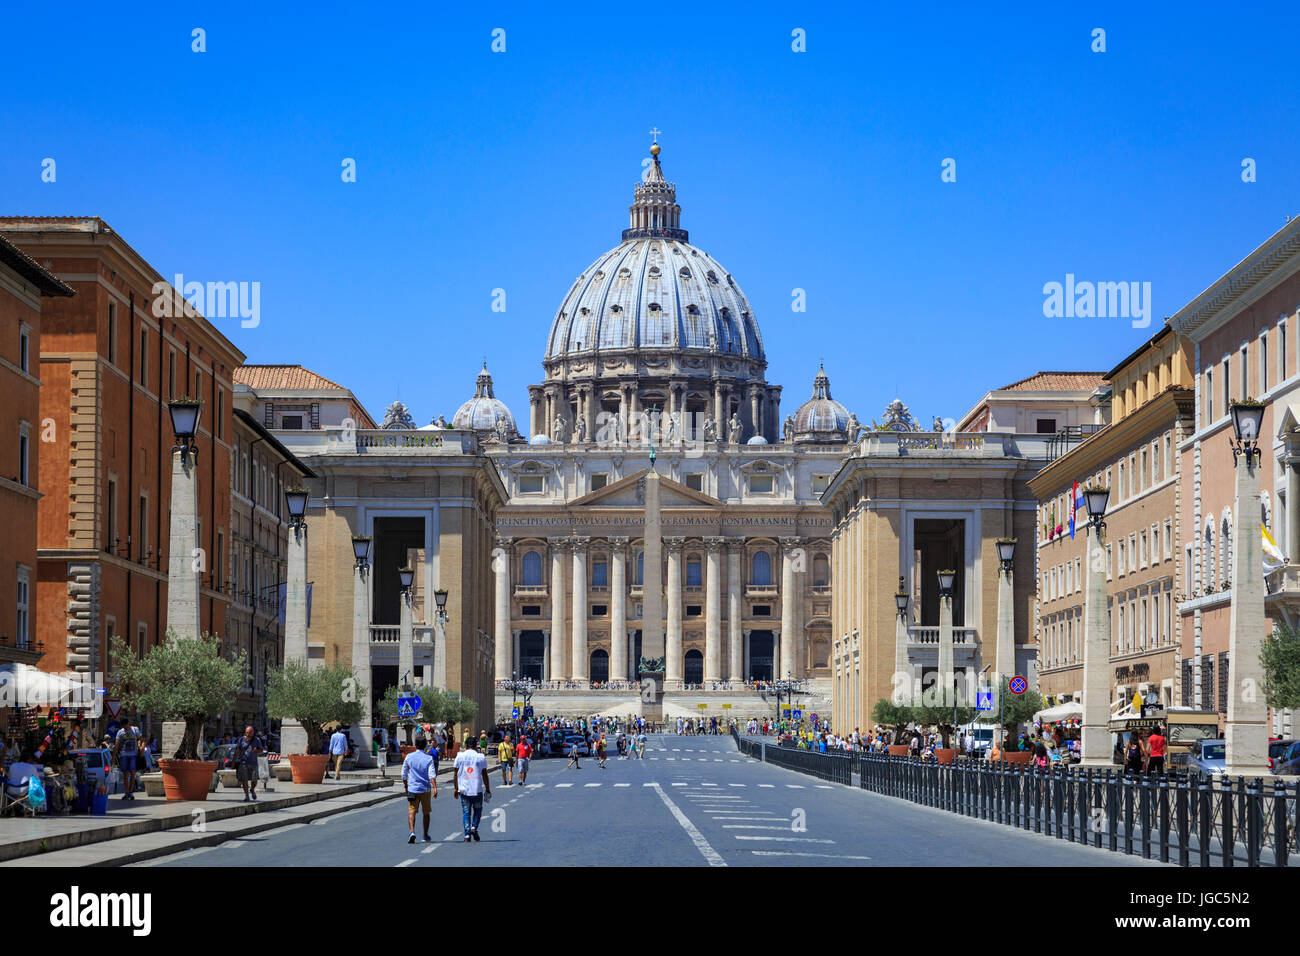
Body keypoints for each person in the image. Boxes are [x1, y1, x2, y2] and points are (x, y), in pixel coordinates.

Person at [401, 733, 438, 843]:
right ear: (425, 745)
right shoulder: (428, 758)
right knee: (426, 813)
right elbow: (431, 775)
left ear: (415, 745)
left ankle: (412, 831)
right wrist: (435, 787)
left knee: (412, 811)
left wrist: (406, 786)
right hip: (425, 789)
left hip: (413, 789)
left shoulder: (409, 757)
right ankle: (425, 835)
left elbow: (404, 774)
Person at [453, 736, 490, 842]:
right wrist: (487, 789)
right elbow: (484, 774)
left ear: (465, 745)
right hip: (477, 789)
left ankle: (467, 835)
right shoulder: (480, 757)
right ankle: (474, 827)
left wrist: (456, 788)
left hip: (464, 789)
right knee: (478, 810)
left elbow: (455, 773)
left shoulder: (460, 756)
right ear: (475, 745)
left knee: (466, 812)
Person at [232, 725, 264, 802]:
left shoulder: (257, 740)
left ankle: (252, 789)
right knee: (244, 780)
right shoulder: (241, 739)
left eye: (249, 732)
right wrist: (233, 762)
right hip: (243, 763)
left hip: (253, 763)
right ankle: (247, 796)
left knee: (254, 781)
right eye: (246, 732)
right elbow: (237, 751)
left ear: (253, 732)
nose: (248, 734)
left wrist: (256, 750)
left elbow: (261, 750)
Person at [114, 717, 143, 800]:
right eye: (123, 727)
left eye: (126, 726)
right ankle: (126, 792)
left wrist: (141, 748)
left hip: (133, 754)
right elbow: (116, 745)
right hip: (124, 755)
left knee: (133, 773)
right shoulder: (120, 732)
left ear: (128, 723)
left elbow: (141, 739)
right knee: (125, 774)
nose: (125, 728)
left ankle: (131, 792)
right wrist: (113, 757)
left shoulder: (135, 730)